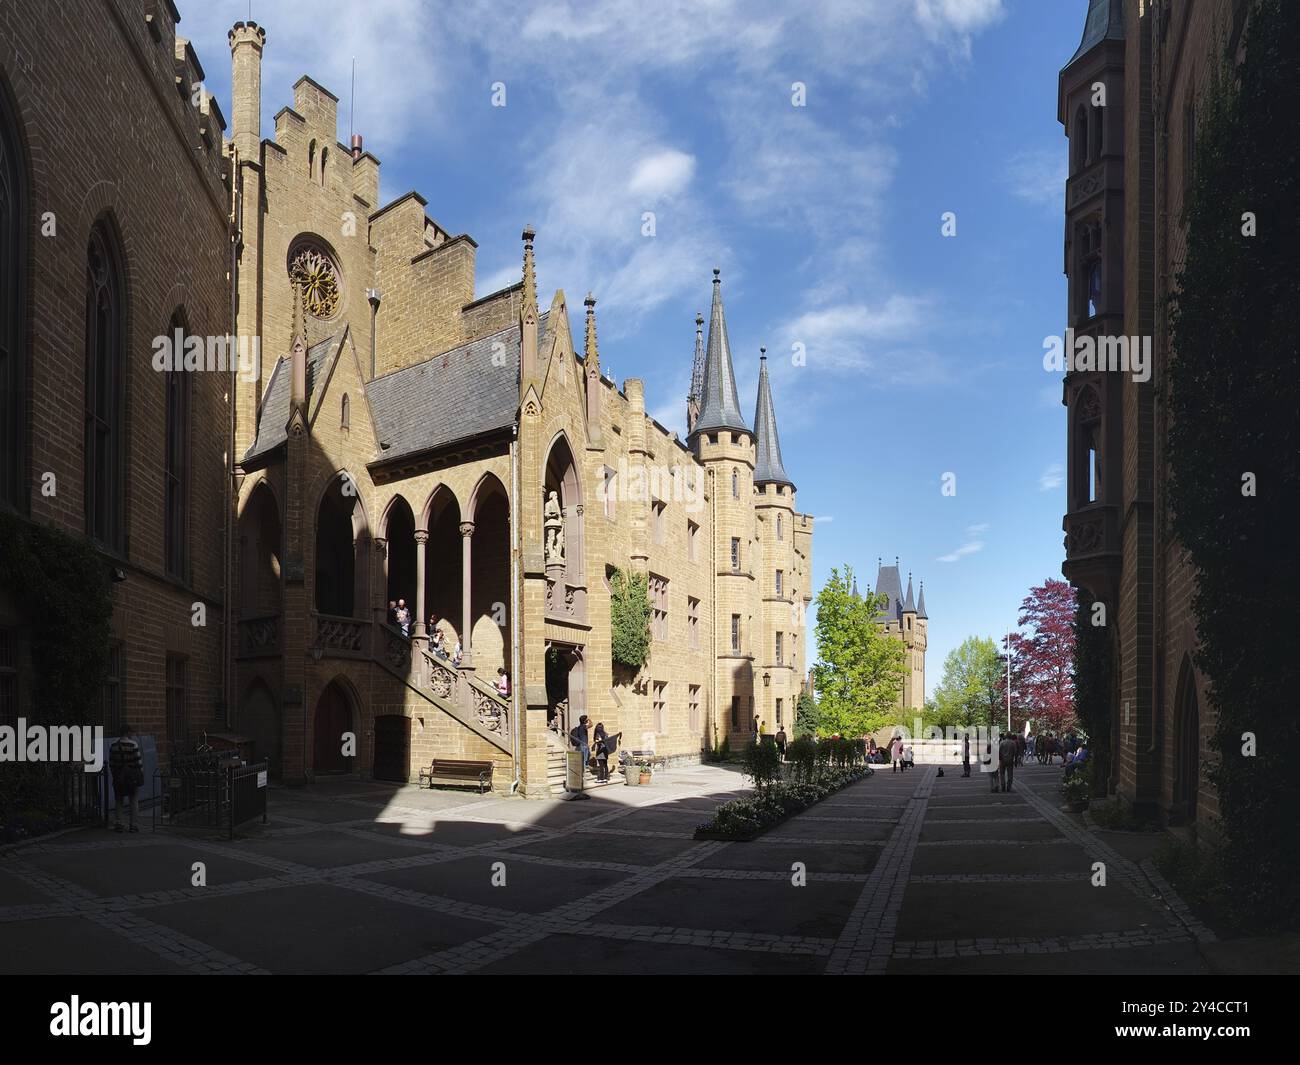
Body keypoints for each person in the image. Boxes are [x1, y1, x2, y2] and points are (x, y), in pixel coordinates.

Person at [109, 723, 144, 833]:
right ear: (128, 732)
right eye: (130, 732)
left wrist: (116, 775)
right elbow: (138, 763)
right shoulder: (133, 745)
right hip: (131, 777)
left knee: (119, 800)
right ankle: (133, 825)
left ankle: (119, 823)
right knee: (133, 800)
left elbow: (111, 763)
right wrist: (139, 775)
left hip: (119, 777)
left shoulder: (113, 746)